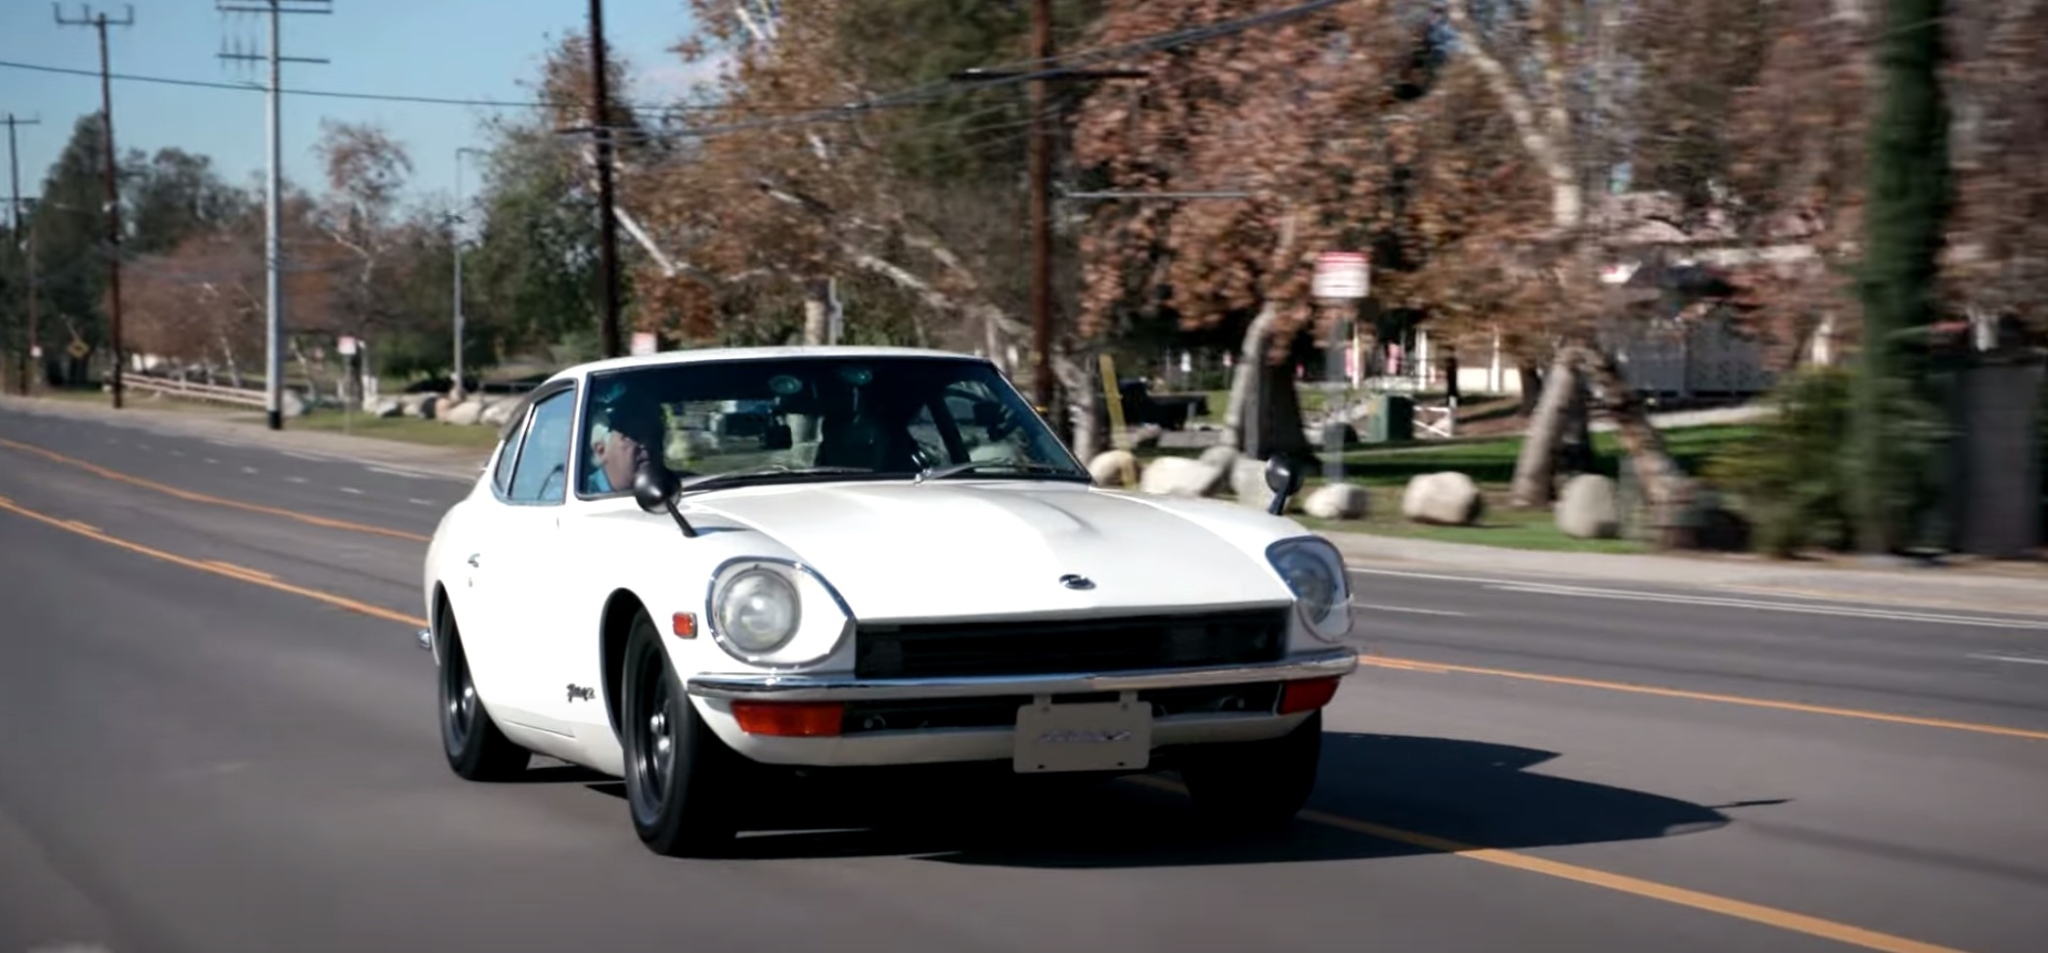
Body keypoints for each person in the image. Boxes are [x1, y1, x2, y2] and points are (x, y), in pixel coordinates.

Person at [584, 380, 664, 495]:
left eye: (655, 434)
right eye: (633, 435)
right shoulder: (582, 502)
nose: (647, 444)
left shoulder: (679, 490)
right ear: (600, 450)